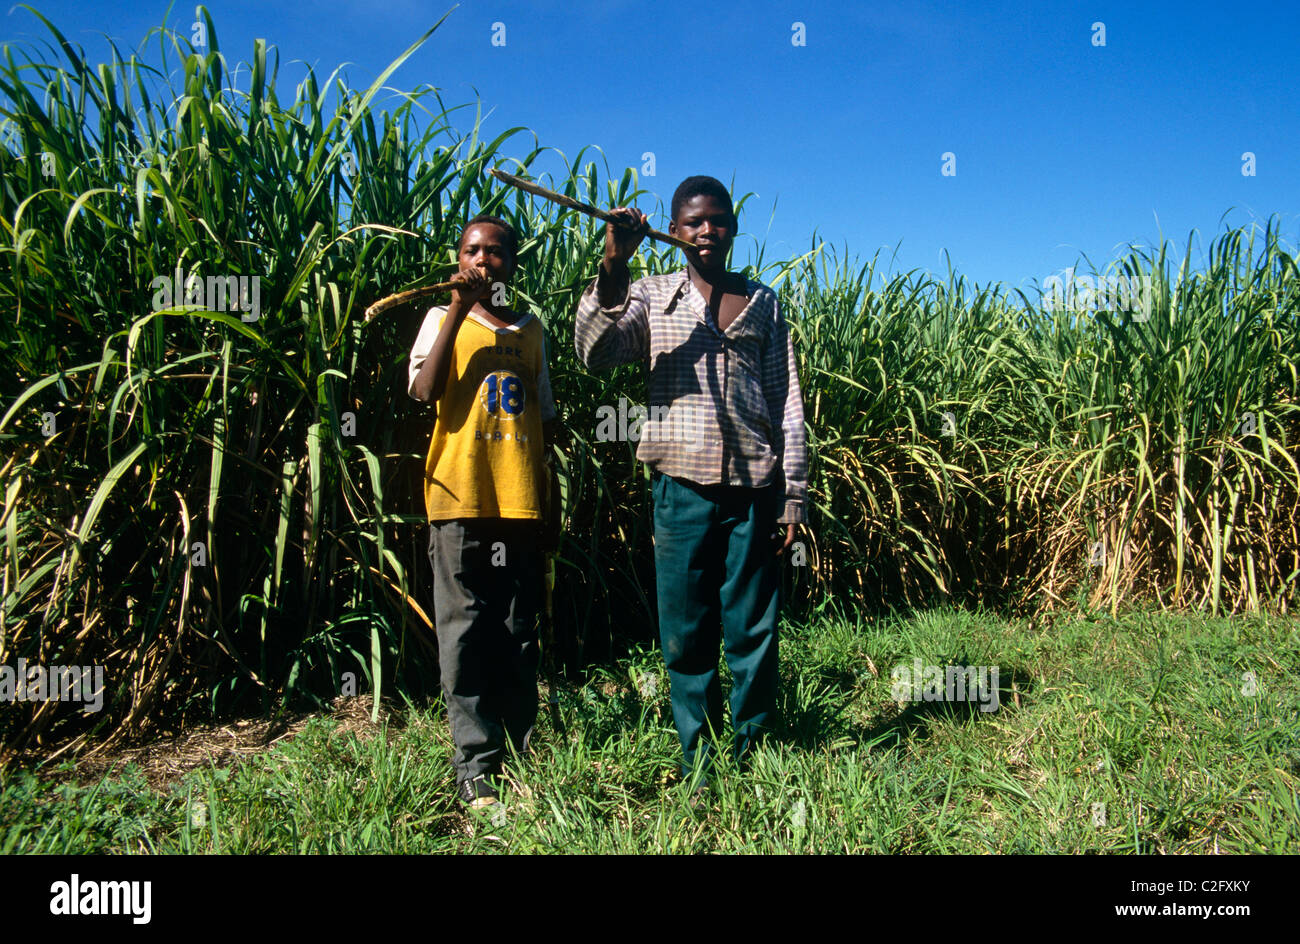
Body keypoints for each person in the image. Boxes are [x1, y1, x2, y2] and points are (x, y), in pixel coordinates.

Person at [574, 176, 808, 788]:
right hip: (679, 489)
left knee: (753, 625)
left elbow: (787, 403)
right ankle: (699, 761)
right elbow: (594, 353)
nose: (707, 231)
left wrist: (793, 497)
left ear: (733, 227)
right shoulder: (650, 297)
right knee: (685, 630)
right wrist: (613, 261)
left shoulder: (762, 302)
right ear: (674, 232)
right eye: (694, 223)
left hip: (753, 489)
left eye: (718, 220)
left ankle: (757, 752)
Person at [408, 214, 557, 810]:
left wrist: (548, 502)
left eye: (497, 253)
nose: (484, 262)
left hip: (519, 502)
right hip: (459, 497)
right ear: (458, 258)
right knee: (464, 630)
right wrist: (453, 308)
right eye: (473, 251)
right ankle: (474, 762)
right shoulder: (442, 320)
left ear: (513, 264)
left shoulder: (531, 331)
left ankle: (520, 747)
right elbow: (425, 391)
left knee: (518, 630)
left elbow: (545, 419)